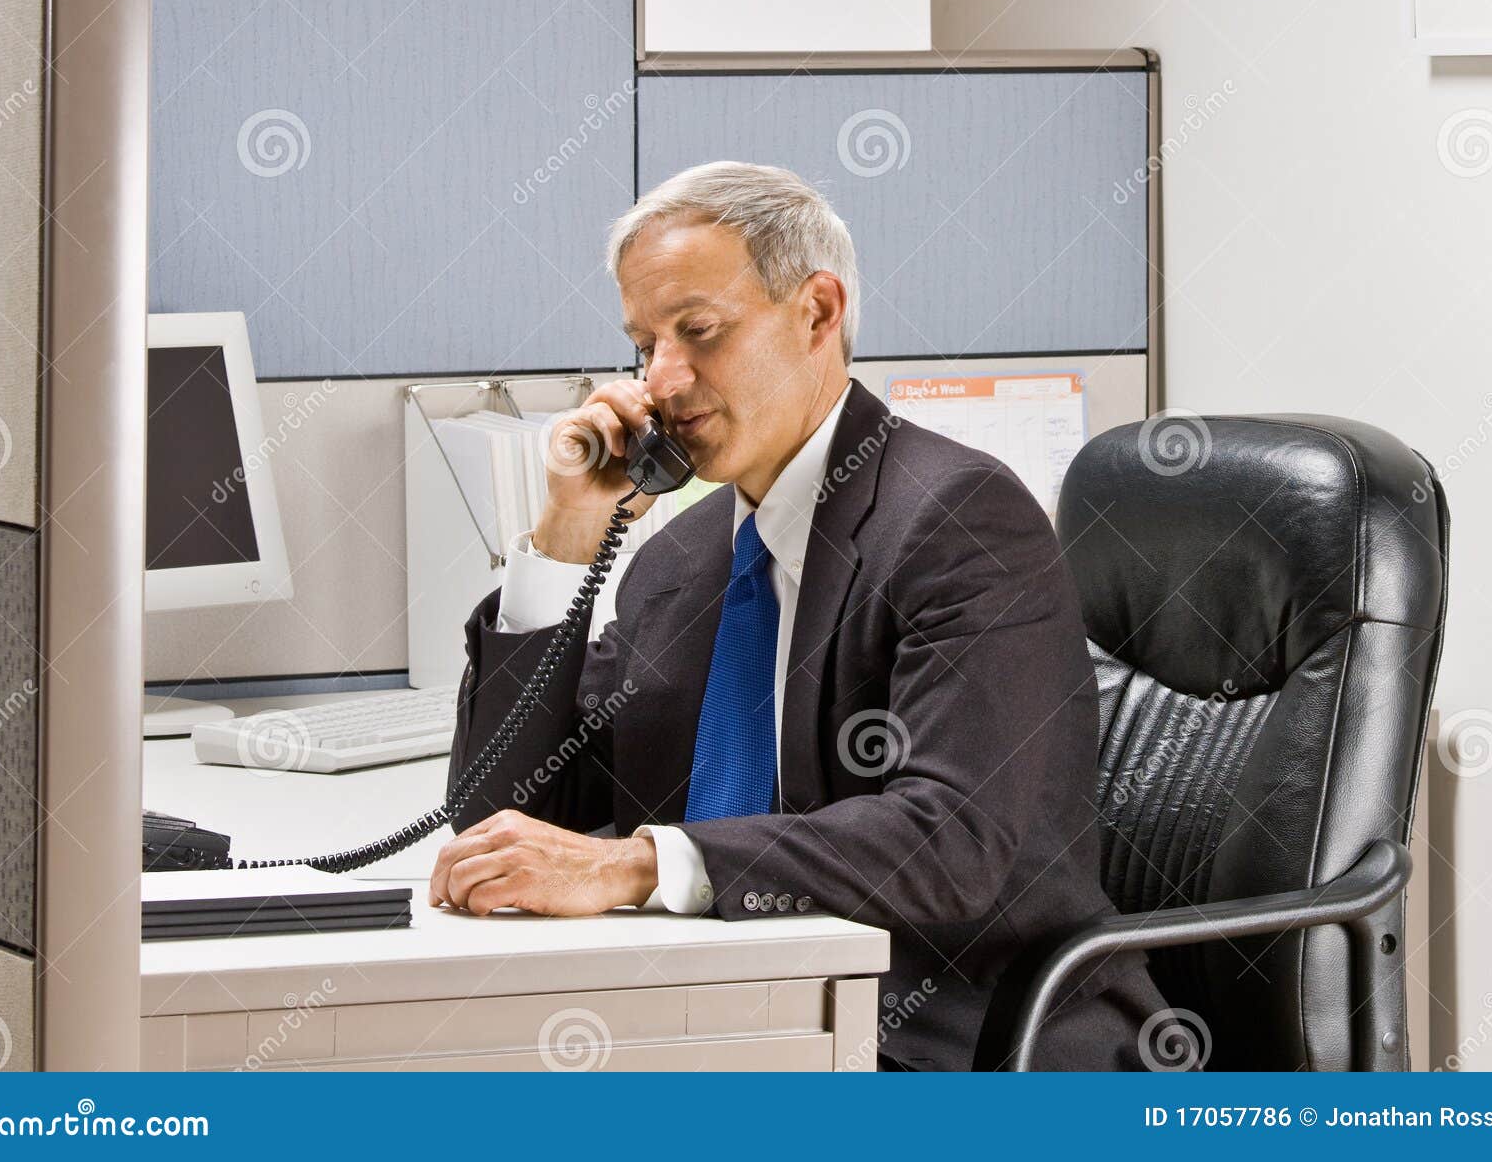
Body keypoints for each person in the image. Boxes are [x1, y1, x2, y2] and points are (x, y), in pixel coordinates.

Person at [428, 161, 1166, 1070]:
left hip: (945, 1041)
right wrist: (567, 532)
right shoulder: (681, 559)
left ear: (817, 312)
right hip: (729, 1028)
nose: (662, 378)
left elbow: (951, 841)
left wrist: (638, 864)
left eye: (699, 331)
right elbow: (501, 815)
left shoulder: (957, 519)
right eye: (644, 343)